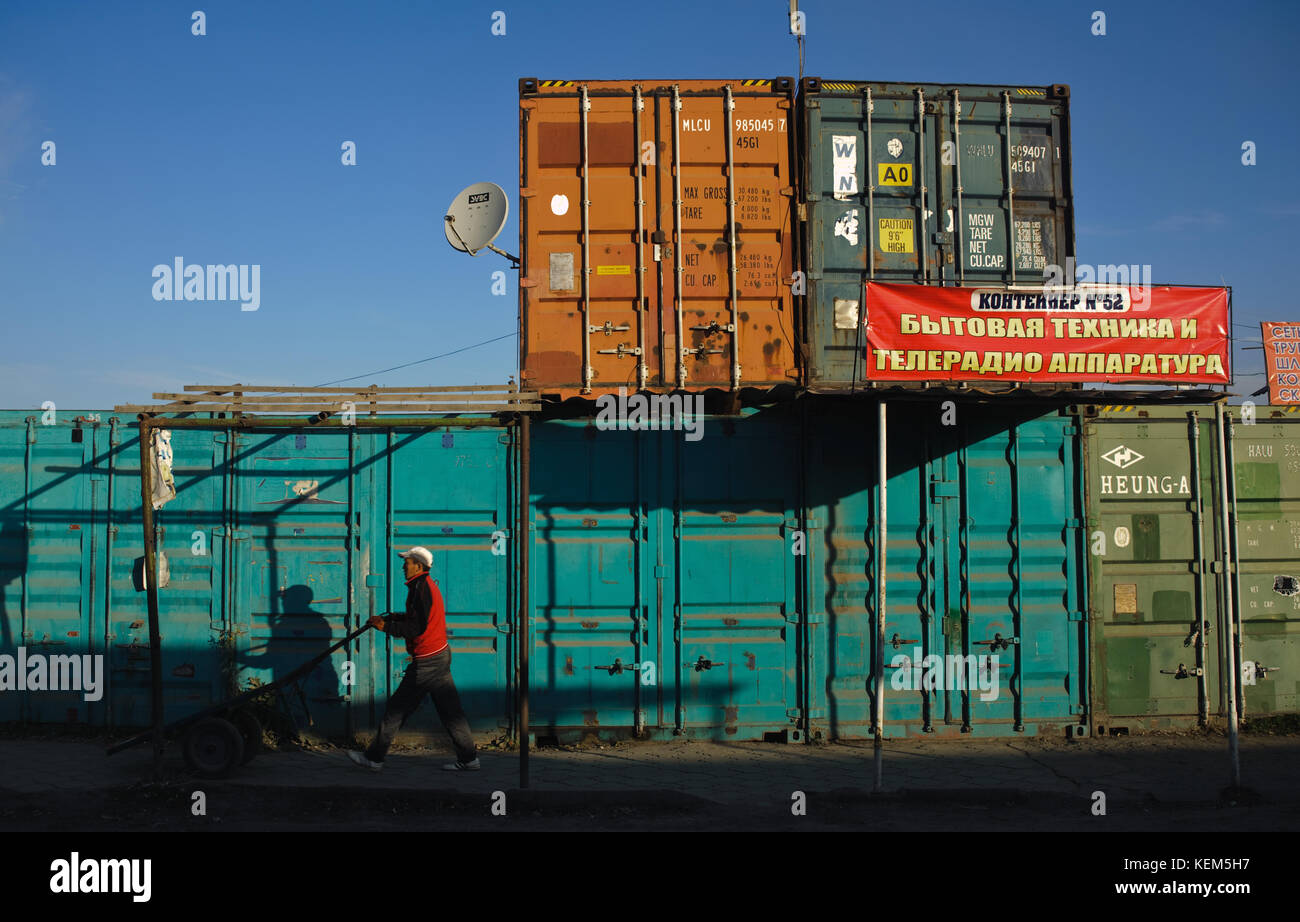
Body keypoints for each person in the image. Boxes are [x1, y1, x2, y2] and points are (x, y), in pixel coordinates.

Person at [348, 546, 480, 772]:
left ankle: (374, 757)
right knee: (450, 711)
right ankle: (469, 759)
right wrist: (389, 618)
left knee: (396, 709)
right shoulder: (421, 586)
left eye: (406, 562)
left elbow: (417, 627)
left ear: (418, 565)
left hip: (427, 661)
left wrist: (386, 626)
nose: (403, 566)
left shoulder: (422, 589)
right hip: (438, 655)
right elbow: (416, 617)